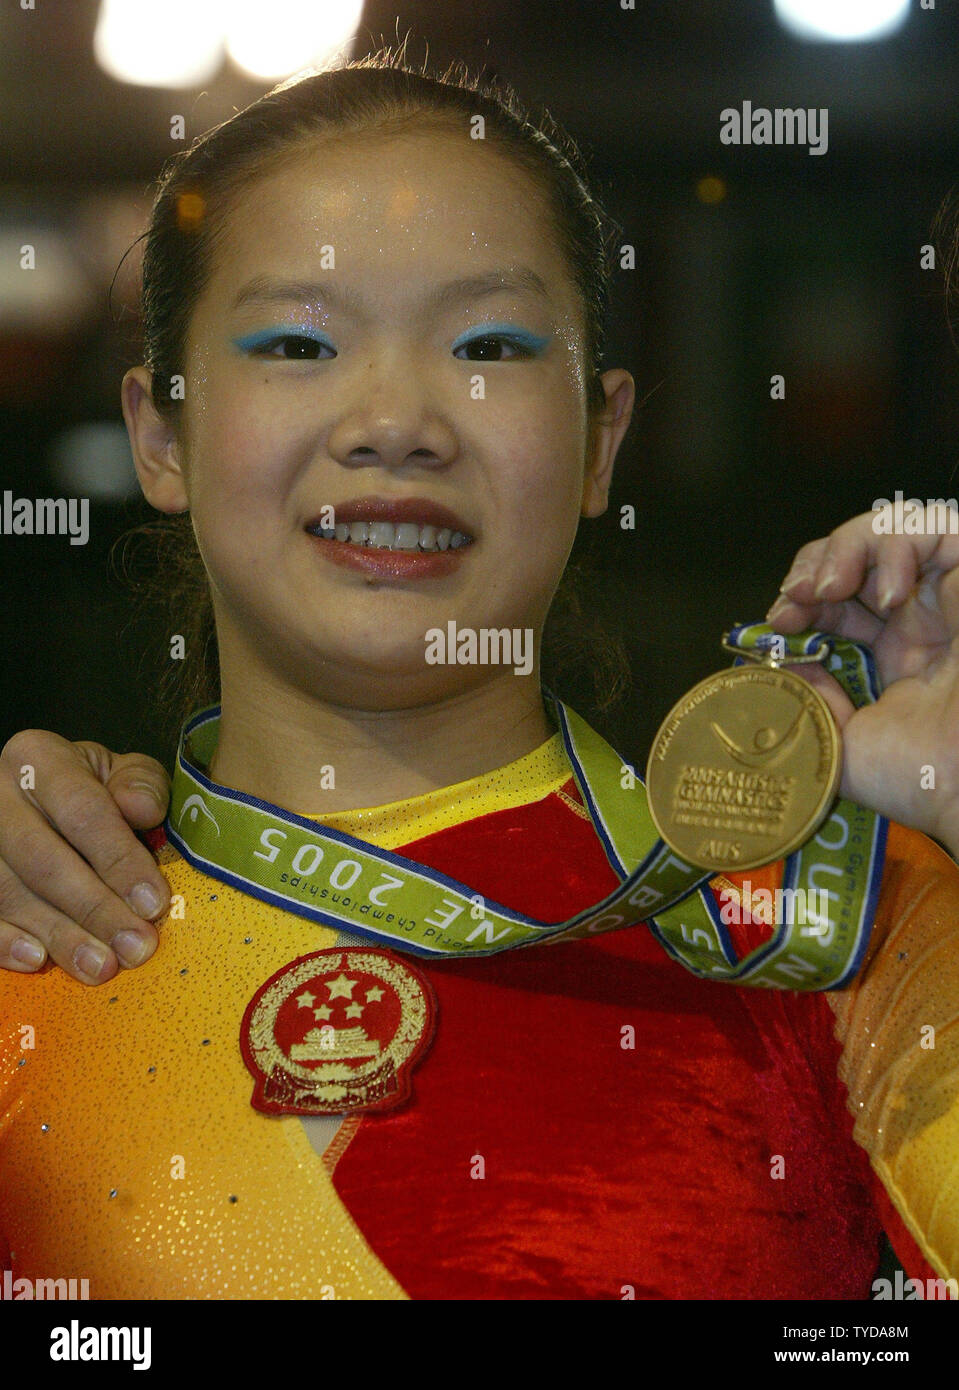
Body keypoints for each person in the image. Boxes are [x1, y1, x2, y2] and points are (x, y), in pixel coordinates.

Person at [1, 46, 958, 1302]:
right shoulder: (35, 930)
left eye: (490, 342)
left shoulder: (827, 917)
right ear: (158, 433)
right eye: (296, 344)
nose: (395, 418)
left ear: (596, 441)